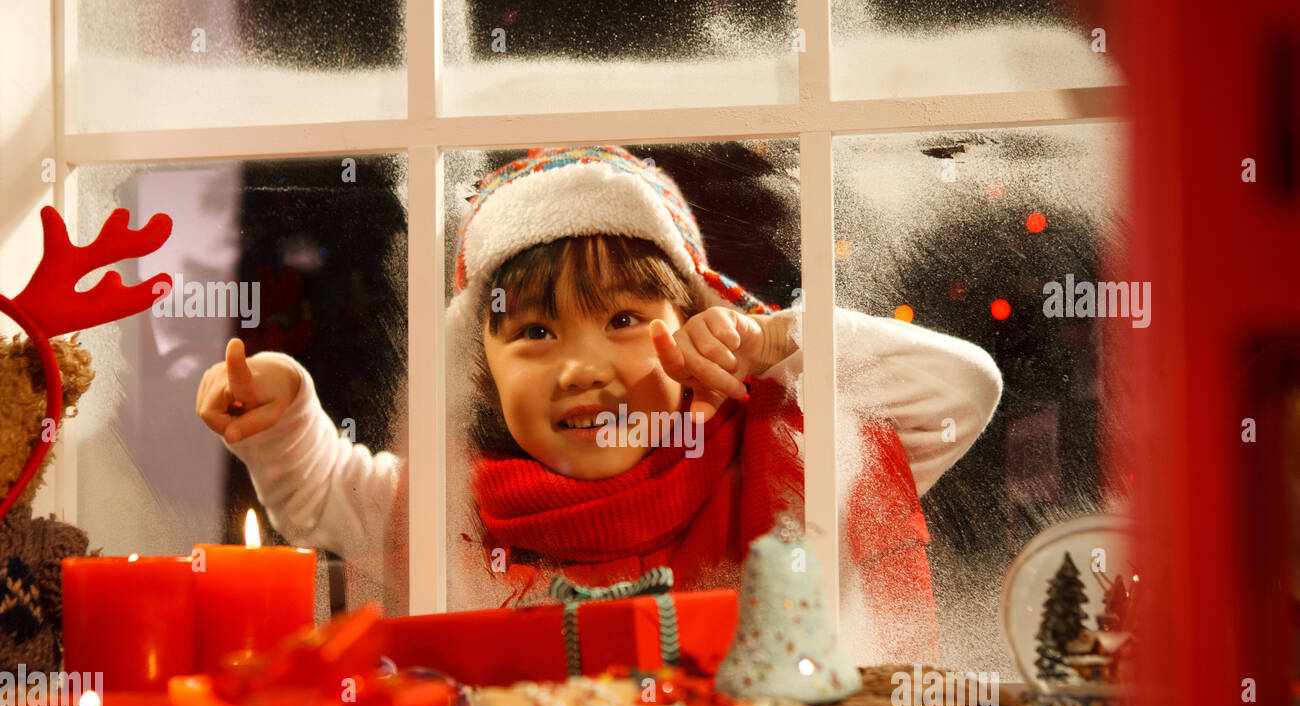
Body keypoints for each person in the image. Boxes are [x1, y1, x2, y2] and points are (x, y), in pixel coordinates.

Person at [196, 145, 1002, 664]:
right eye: (537, 331)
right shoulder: (458, 512)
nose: (583, 368)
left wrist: (771, 343)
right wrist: (287, 411)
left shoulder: (782, 460)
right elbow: (320, 488)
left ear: (692, 332)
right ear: (483, 373)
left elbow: (960, 391)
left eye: (623, 321)